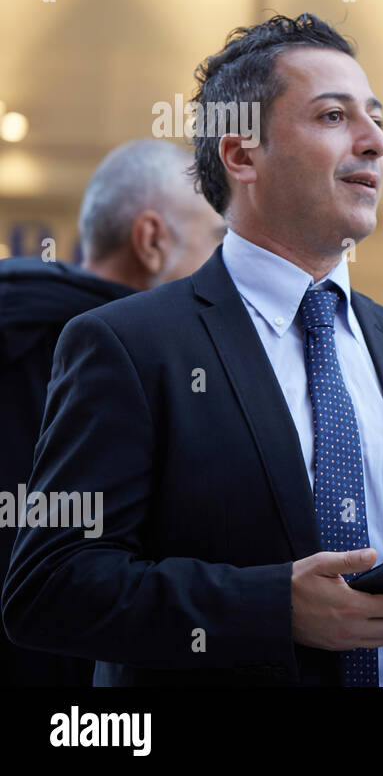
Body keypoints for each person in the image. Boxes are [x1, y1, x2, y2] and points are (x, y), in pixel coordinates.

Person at [3, 14, 383, 685]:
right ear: (242, 154)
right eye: (334, 116)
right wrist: (271, 607)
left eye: (376, 117)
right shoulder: (127, 344)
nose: (374, 143)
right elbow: (49, 587)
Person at [0, 138, 226, 685]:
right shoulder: (150, 368)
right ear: (151, 240)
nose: (225, 271)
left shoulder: (20, 325)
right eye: (216, 241)